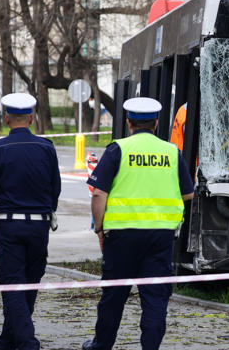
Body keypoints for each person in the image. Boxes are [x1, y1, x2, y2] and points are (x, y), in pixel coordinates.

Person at [83, 97, 194, 350]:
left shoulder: (117, 149)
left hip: (121, 237)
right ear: (156, 123)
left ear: (129, 122)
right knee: (155, 299)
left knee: (113, 297)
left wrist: (99, 229)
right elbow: (188, 194)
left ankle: (101, 346)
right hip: (160, 238)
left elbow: (99, 193)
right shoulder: (171, 152)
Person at [0, 93, 61, 350]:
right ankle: (8, 341)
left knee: (12, 286)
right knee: (29, 285)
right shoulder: (47, 148)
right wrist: (47, 213)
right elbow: (54, 188)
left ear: (6, 118)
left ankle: (27, 343)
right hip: (38, 226)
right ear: (32, 119)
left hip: (9, 226)